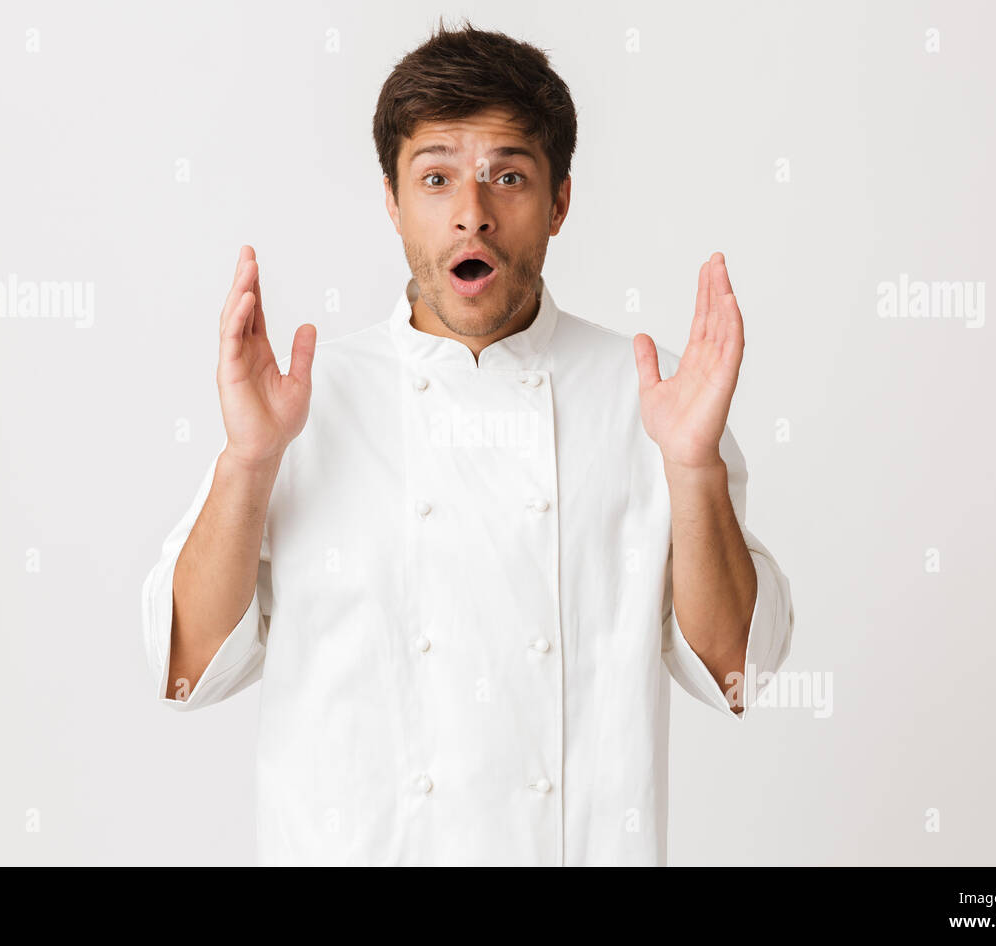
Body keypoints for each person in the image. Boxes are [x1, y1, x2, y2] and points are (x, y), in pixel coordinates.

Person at [141, 19, 794, 866]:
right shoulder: (299, 406)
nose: (471, 215)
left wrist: (695, 468)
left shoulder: (656, 401)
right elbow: (187, 674)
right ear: (392, 200)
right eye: (437, 177)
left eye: (508, 177)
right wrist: (249, 463)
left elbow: (737, 676)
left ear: (559, 201)